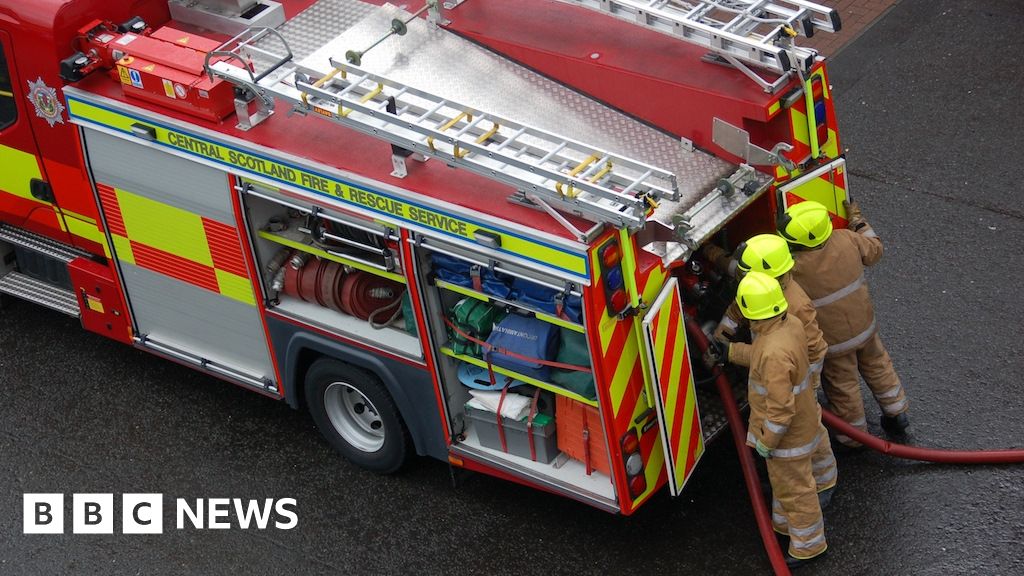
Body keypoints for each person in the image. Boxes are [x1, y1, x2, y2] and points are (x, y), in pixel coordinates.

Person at [705, 234, 836, 499]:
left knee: (807, 434)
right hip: (778, 374)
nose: (743, 278)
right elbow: (737, 311)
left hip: (791, 382)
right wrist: (722, 339)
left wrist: (807, 386)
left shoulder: (796, 306)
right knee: (809, 430)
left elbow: (805, 352)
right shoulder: (763, 290)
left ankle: (822, 484)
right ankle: (821, 481)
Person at [778, 200, 909, 448]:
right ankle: (897, 412)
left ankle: (853, 438)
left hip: (835, 344)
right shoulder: (847, 239)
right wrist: (858, 221)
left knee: (843, 387)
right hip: (865, 328)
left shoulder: (794, 267)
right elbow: (875, 249)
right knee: (879, 367)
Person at [734, 272, 829, 567]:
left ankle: (809, 546)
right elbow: (762, 354)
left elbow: (780, 409)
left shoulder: (772, 352)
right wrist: (731, 351)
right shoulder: (790, 325)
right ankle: (784, 526)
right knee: (787, 487)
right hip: (805, 421)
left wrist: (767, 441)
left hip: (787, 439)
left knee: (797, 492)